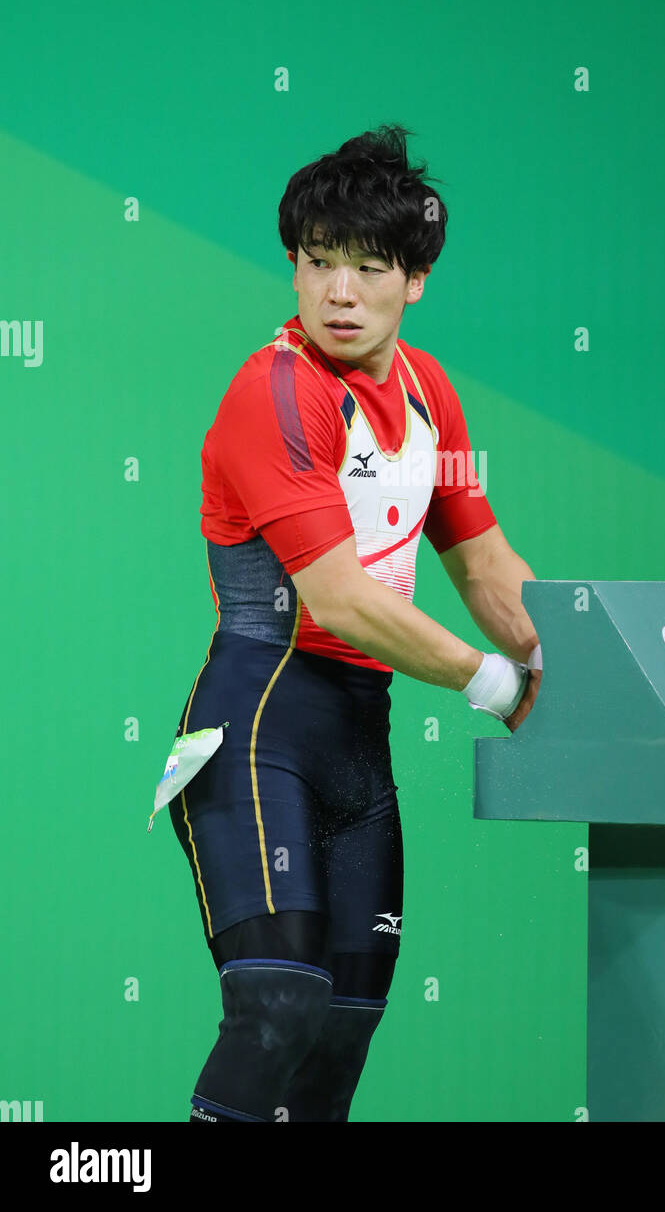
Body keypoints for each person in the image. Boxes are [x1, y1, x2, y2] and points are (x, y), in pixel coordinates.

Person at [170, 124, 541, 1124]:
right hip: (256, 733)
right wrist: (497, 684)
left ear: (412, 277)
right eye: (316, 261)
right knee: (275, 1007)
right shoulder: (273, 394)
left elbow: (485, 567)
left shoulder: (431, 395)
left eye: (367, 267)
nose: (337, 291)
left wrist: (580, 673)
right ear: (292, 265)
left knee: (338, 1037)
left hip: (356, 752)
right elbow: (338, 599)